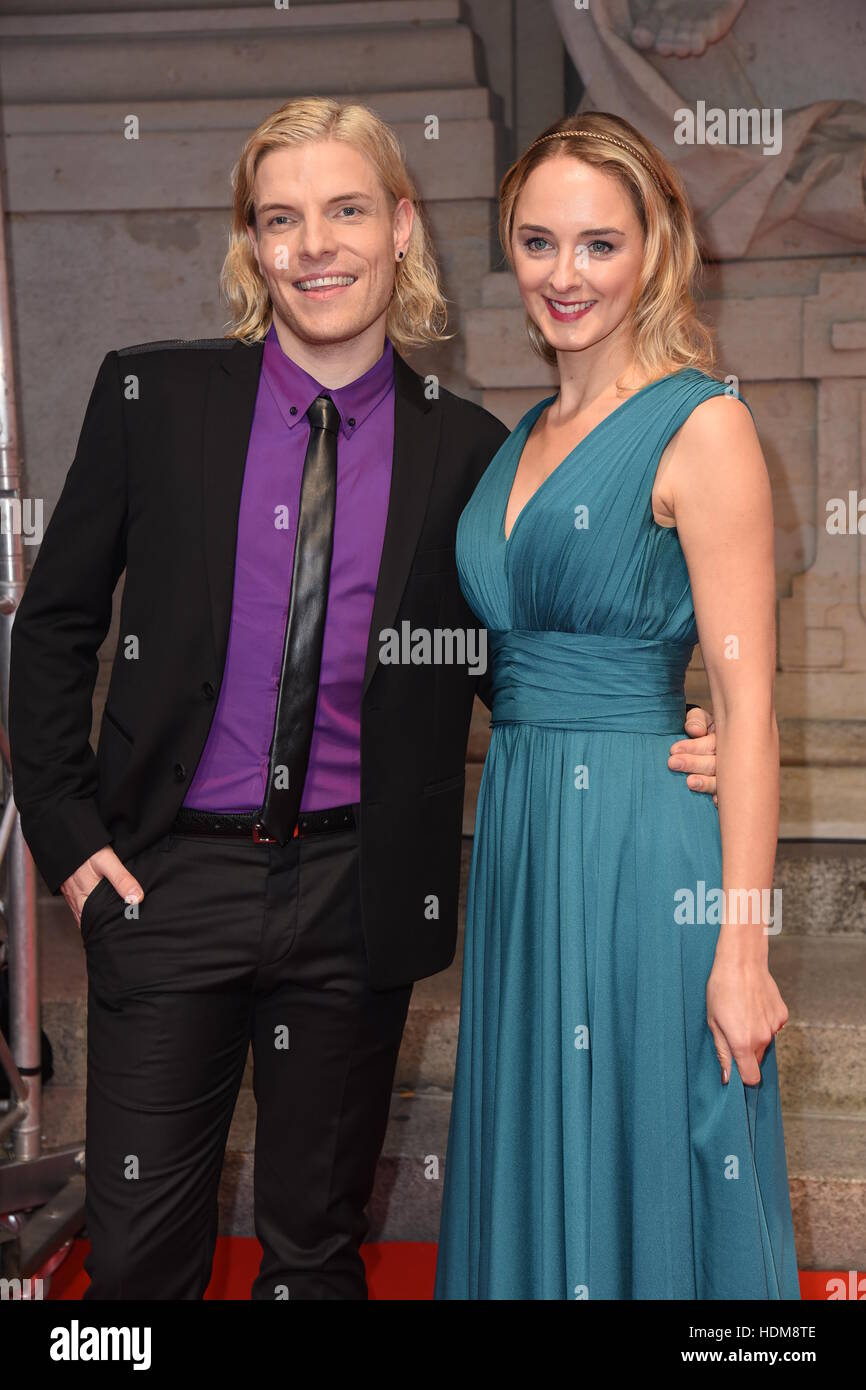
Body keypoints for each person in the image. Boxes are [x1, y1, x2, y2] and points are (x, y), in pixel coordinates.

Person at [9, 98, 719, 1301]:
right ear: (251, 243)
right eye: (279, 218)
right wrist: (72, 845)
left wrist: (671, 726)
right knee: (134, 1267)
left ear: (398, 226)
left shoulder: (471, 452)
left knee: (314, 1253)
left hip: (357, 894)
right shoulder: (152, 399)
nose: (313, 246)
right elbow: (55, 626)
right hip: (166, 882)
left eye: (344, 210)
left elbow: (515, 661)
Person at [434, 111, 800, 1301]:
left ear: (654, 247)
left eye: (599, 243)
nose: (565, 274)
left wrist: (740, 950)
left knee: (649, 1149)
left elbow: (745, 708)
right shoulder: (522, 438)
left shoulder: (703, 425)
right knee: (538, 1147)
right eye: (537, 242)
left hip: (642, 852)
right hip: (523, 843)